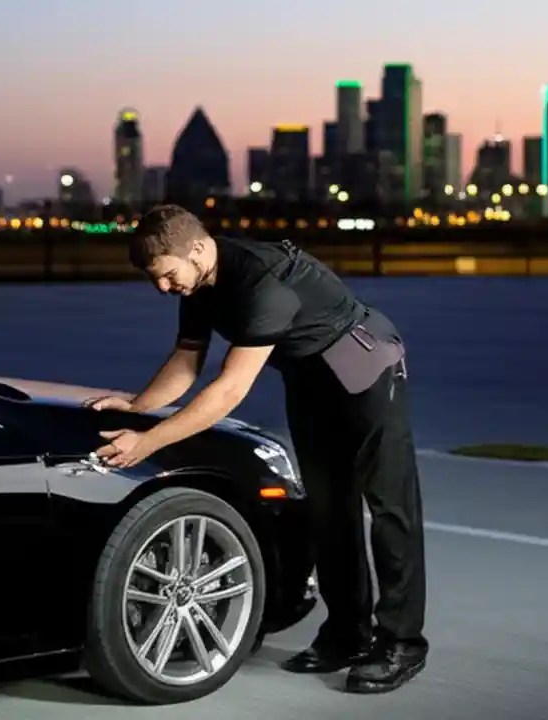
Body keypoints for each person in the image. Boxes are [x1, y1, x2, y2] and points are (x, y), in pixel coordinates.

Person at [89, 204, 428, 694]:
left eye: (166, 274)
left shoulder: (262, 282)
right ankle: (347, 632)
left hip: (365, 374)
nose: (162, 287)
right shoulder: (198, 285)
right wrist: (138, 405)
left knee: (390, 508)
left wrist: (148, 442)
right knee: (328, 511)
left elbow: (229, 389)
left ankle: (402, 643)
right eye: (153, 279)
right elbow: (186, 362)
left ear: (197, 250)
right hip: (309, 380)